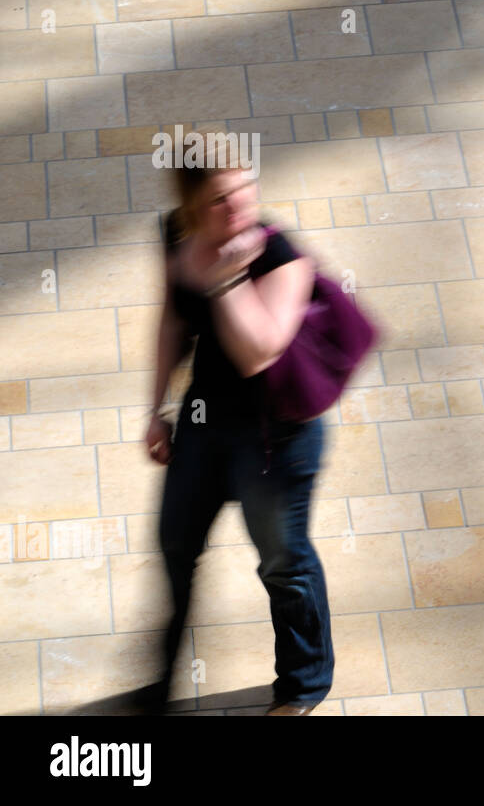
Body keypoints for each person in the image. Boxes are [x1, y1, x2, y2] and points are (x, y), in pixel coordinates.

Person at [138, 144, 334, 716]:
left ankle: (302, 686)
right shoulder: (176, 234)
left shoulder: (280, 256)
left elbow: (259, 352)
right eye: (221, 196)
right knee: (175, 542)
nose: (240, 203)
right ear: (191, 204)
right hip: (205, 424)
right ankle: (160, 682)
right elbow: (172, 318)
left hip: (277, 440)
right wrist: (155, 409)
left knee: (282, 562)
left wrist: (226, 280)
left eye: (246, 185)